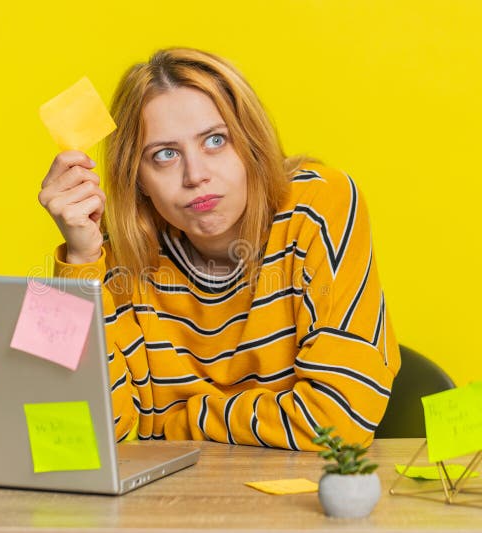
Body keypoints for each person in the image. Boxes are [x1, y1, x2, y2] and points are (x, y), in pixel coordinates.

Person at [38, 47, 400, 450]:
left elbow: (339, 421)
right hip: (173, 505)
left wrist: (180, 423)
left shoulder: (320, 205)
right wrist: (80, 260)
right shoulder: (121, 251)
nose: (196, 175)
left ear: (252, 145)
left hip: (303, 501)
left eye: (215, 141)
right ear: (137, 178)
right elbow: (79, 434)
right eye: (165, 155)